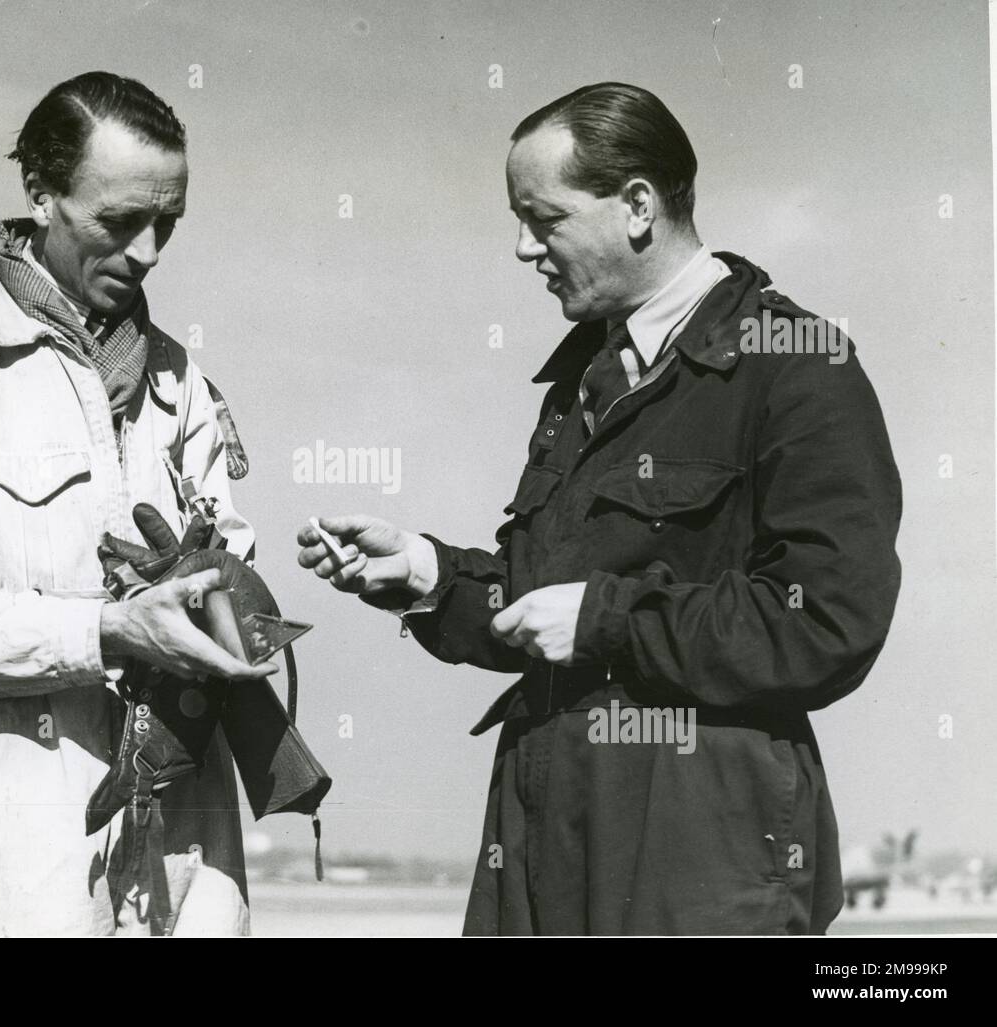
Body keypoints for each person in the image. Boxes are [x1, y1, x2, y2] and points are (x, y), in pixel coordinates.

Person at [297, 82, 902, 935]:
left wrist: (608, 621)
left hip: (700, 852)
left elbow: (827, 620)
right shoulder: (589, 377)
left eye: (542, 219)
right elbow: (546, 597)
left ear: (638, 207)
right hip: (544, 836)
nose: (521, 248)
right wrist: (429, 575)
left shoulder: (797, 364)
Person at [0, 71, 275, 935]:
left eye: (169, 223)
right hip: (6, 848)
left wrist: (227, 604)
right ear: (39, 191)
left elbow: (233, 566)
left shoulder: (181, 379)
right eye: (119, 222)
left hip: (181, 841)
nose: (148, 251)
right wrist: (105, 630)